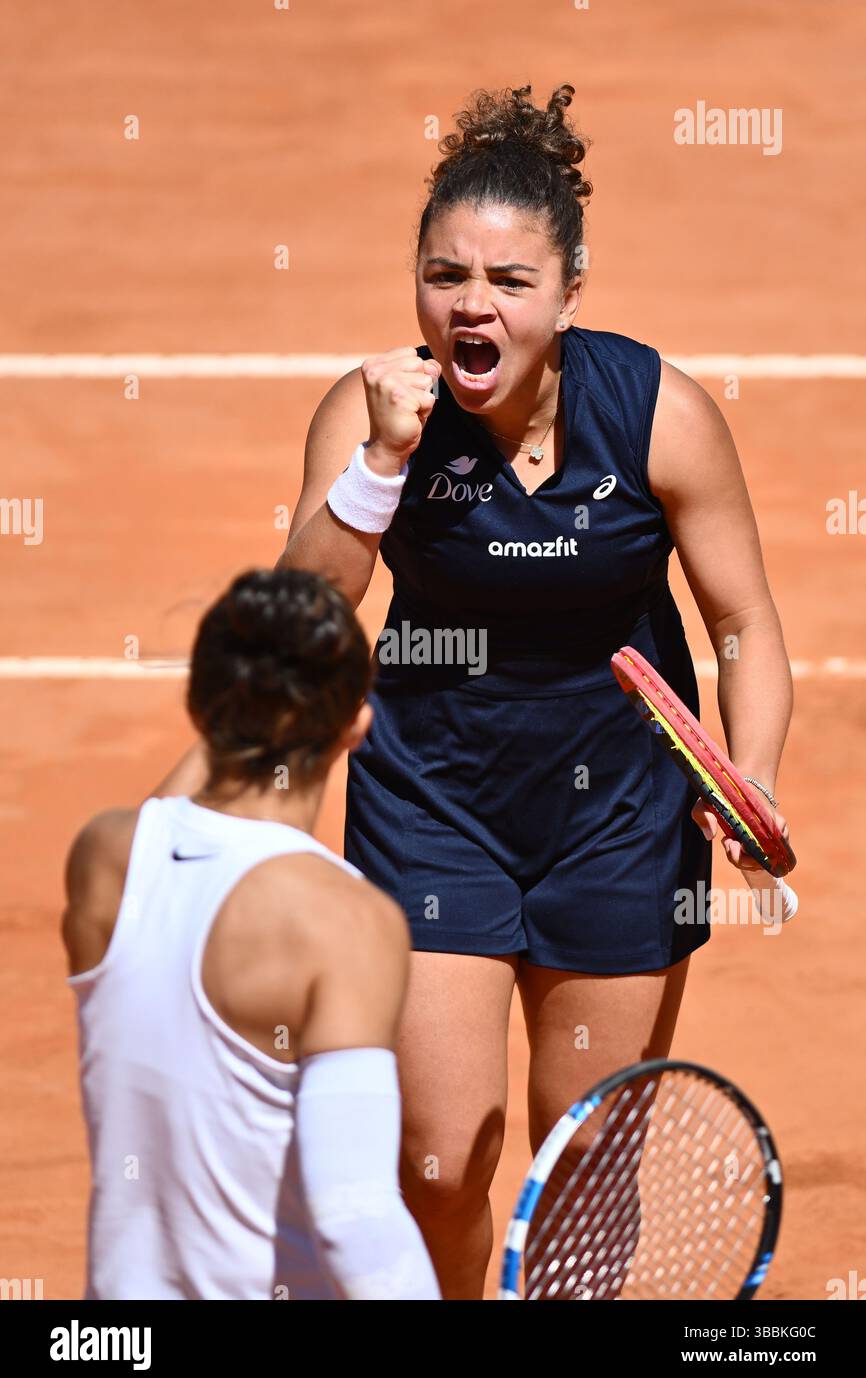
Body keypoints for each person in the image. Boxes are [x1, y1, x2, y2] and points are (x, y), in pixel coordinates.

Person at [157, 81, 794, 1300]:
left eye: (508, 281)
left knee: (587, 1150)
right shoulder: (373, 411)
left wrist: (745, 768)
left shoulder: (658, 414)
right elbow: (300, 614)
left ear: (567, 291)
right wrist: (381, 466)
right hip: (433, 797)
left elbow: (742, 623)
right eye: (446, 275)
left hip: (618, 810)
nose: (472, 304)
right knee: (440, 1160)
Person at [62, 567, 441, 1300]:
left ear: (199, 708)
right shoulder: (346, 921)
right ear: (357, 725)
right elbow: (353, 1218)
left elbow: (176, 819)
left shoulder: (104, 858)